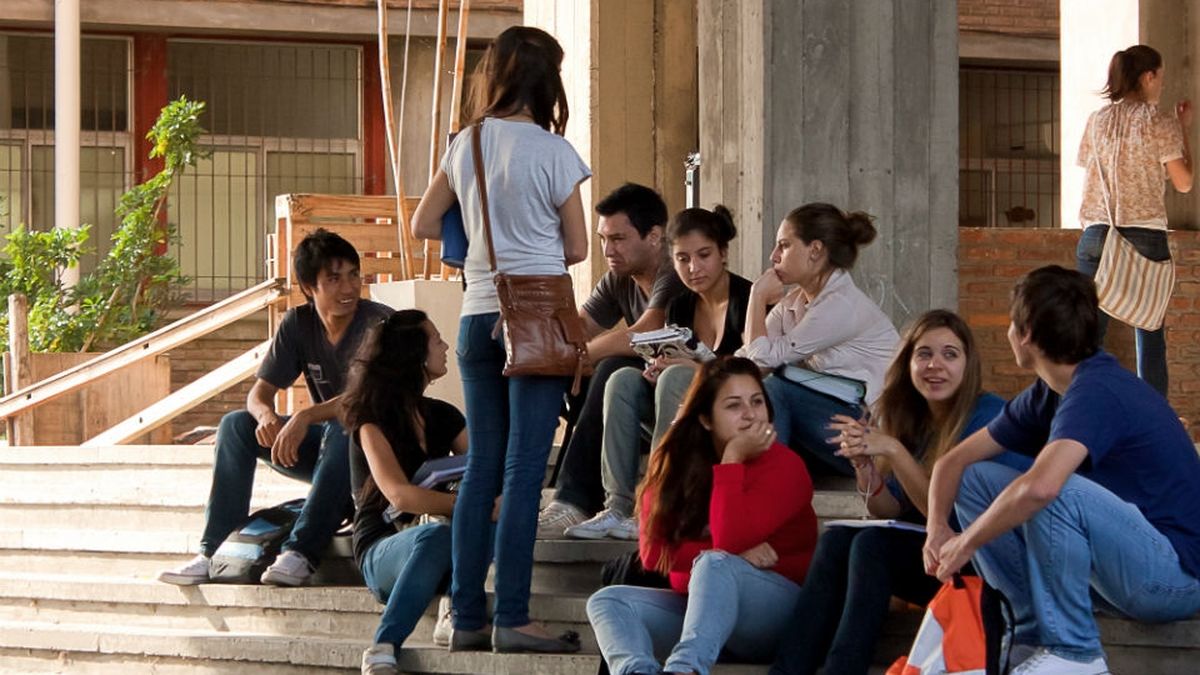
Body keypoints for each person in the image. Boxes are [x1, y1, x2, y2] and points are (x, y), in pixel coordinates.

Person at [923, 266, 1200, 675]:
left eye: (1011, 324)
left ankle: (1075, 653)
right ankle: (1031, 633)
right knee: (976, 478)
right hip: (1120, 571)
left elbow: (1043, 489)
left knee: (1055, 487)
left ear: (1026, 333)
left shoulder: (1097, 390)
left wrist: (966, 542)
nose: (1008, 333)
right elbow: (953, 462)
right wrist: (936, 530)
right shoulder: (1048, 393)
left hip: (1173, 579)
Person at [411, 25, 589, 653]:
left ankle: (465, 617)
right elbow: (576, 246)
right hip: (535, 316)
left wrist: (479, 241)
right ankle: (513, 615)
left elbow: (421, 222)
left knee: (483, 467)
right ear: (548, 82)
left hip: (475, 316)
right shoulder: (554, 151)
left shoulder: (466, 143)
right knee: (521, 473)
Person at [771, 310, 1025, 675]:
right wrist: (864, 467)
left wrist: (893, 451)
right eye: (924, 354)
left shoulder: (990, 417)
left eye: (950, 354)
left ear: (968, 365)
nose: (935, 365)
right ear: (908, 363)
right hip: (931, 557)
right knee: (838, 539)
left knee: (873, 546)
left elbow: (945, 516)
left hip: (984, 565)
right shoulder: (912, 416)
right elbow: (887, 508)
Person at [157, 229, 391, 587]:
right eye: (334, 279)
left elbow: (365, 399)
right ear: (310, 288)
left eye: (353, 275)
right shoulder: (298, 324)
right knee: (235, 425)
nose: (349, 287)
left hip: (376, 456)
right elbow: (258, 393)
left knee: (348, 427)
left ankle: (300, 553)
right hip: (329, 454)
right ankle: (213, 552)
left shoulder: (380, 323)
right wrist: (265, 415)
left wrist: (305, 415)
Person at [587, 357, 818, 675]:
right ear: (706, 419)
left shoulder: (786, 466)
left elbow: (730, 540)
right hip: (703, 612)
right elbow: (654, 555)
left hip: (776, 614)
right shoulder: (678, 466)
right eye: (734, 406)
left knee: (715, 564)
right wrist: (721, 557)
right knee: (608, 601)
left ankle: (686, 669)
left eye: (757, 401)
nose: (750, 414)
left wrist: (732, 459)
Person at [566, 205, 752, 541]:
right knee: (622, 378)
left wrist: (695, 369)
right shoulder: (681, 304)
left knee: (677, 377)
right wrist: (657, 366)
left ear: (723, 253)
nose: (693, 268)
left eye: (703, 255)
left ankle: (656, 502)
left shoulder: (747, 298)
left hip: (728, 414)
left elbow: (753, 374)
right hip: (683, 410)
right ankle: (618, 506)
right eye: (682, 259)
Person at [538, 183, 687, 539]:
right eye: (603, 239)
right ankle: (531, 491)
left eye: (618, 239)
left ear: (654, 236)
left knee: (607, 368)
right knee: (554, 371)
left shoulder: (674, 270)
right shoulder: (618, 279)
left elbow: (646, 331)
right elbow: (581, 328)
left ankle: (575, 500)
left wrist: (582, 355)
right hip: (642, 389)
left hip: (675, 386)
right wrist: (546, 345)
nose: (608, 250)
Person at [341, 310, 466, 675]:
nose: (445, 347)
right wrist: (465, 504)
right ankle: (384, 645)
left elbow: (486, 465)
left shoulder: (444, 415)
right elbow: (400, 496)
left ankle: (458, 606)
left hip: (437, 539)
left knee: (477, 524)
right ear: (413, 353)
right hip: (383, 549)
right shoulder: (371, 418)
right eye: (436, 339)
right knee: (436, 535)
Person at [737, 202, 898, 475]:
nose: (773, 256)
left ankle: (770, 491)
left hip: (869, 437)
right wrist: (699, 368)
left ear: (815, 250)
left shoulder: (841, 305)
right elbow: (749, 364)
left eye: (784, 246)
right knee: (723, 395)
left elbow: (764, 359)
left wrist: (757, 295)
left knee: (776, 390)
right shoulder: (795, 302)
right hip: (832, 421)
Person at [1075, 44, 1193, 397]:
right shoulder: (1160, 122)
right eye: (1160, 77)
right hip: (1144, 235)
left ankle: (1078, 409)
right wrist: (1184, 129)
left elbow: (1090, 167)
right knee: (1150, 332)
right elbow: (1184, 182)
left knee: (1088, 336)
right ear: (1148, 76)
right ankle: (1152, 420)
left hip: (1097, 234)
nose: (1161, 84)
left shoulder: (1096, 120)